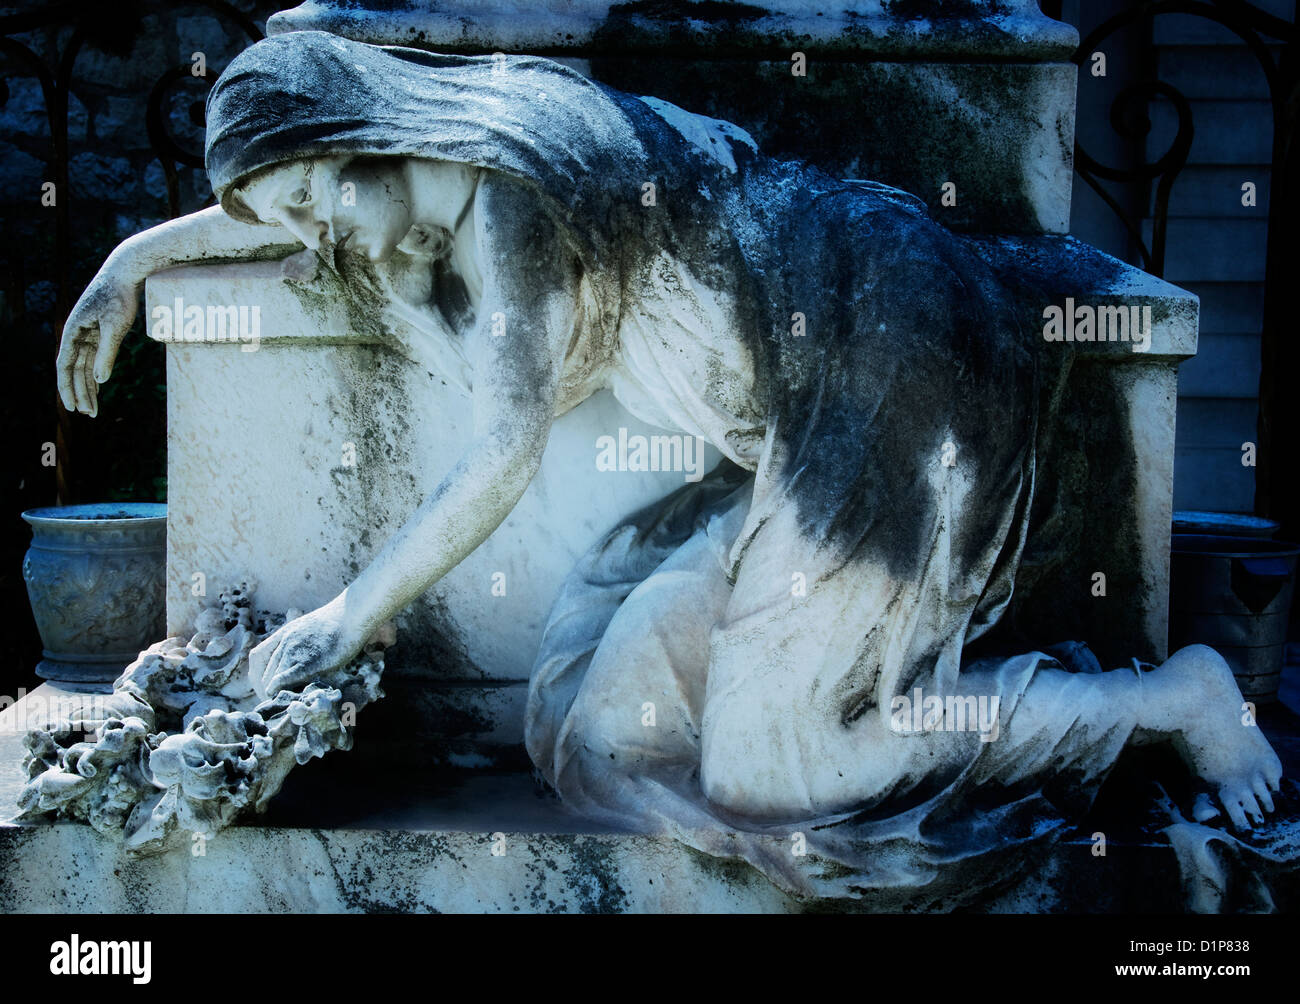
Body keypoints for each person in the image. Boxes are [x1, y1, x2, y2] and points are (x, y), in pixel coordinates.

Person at [57, 31, 1282, 904]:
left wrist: (343, 616)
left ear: (368, 139)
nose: (315, 238)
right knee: (609, 726)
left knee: (770, 766)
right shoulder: (451, 168)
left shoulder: (514, 204)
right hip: (817, 404)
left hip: (889, 365)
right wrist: (135, 259)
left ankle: (1168, 701)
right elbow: (283, 188)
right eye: (291, 218)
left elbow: (498, 458)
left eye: (316, 201)